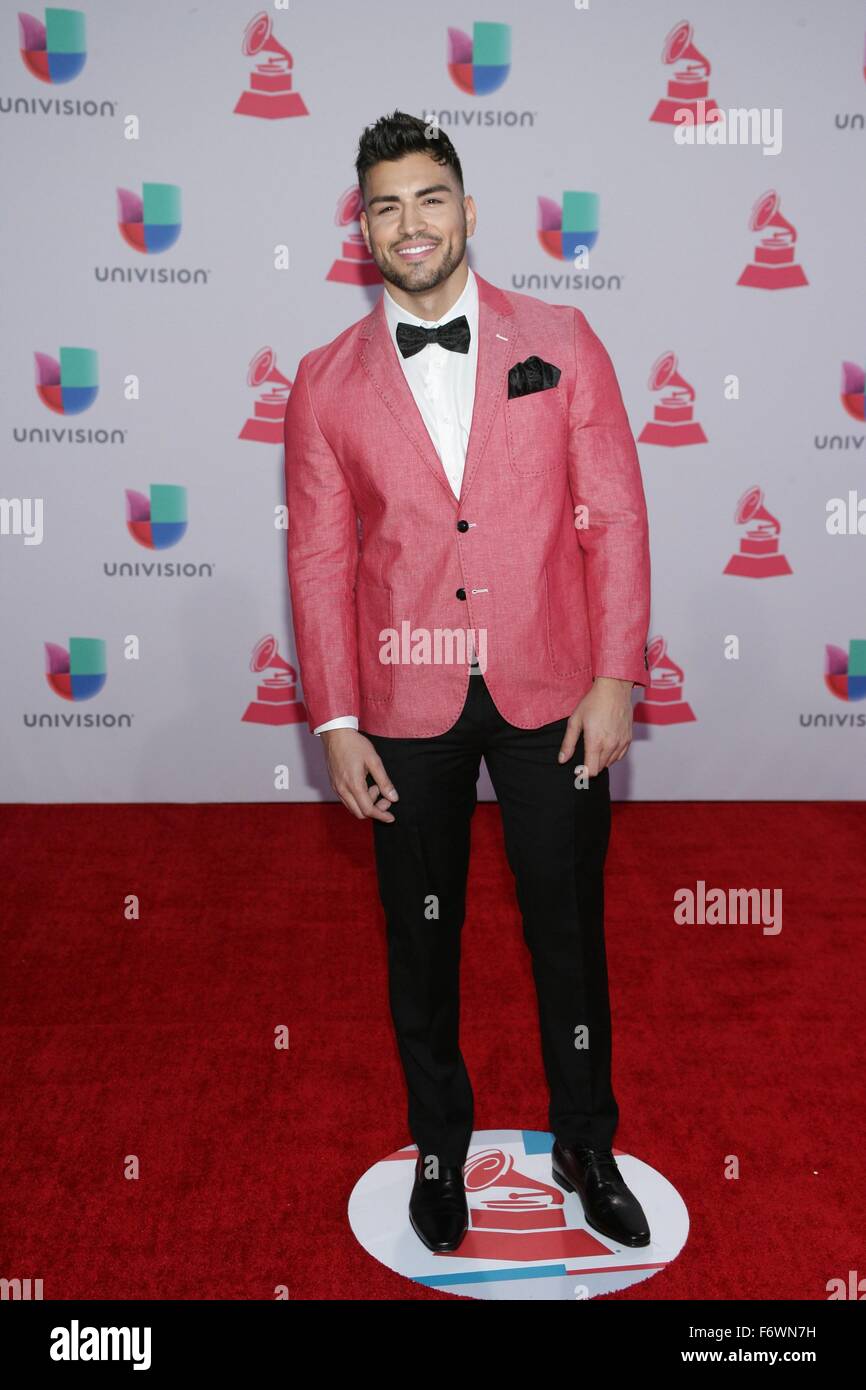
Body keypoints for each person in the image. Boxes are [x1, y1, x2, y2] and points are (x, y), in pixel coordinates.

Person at [283, 110, 652, 1254]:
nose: (409, 223)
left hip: (552, 688)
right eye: (385, 205)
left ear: (467, 211)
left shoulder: (564, 337)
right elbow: (319, 556)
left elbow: (619, 519)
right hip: (403, 704)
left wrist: (615, 674)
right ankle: (438, 1148)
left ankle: (585, 1141)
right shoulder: (322, 381)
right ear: (362, 230)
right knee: (420, 936)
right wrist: (336, 720)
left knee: (566, 932)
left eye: (428, 198)